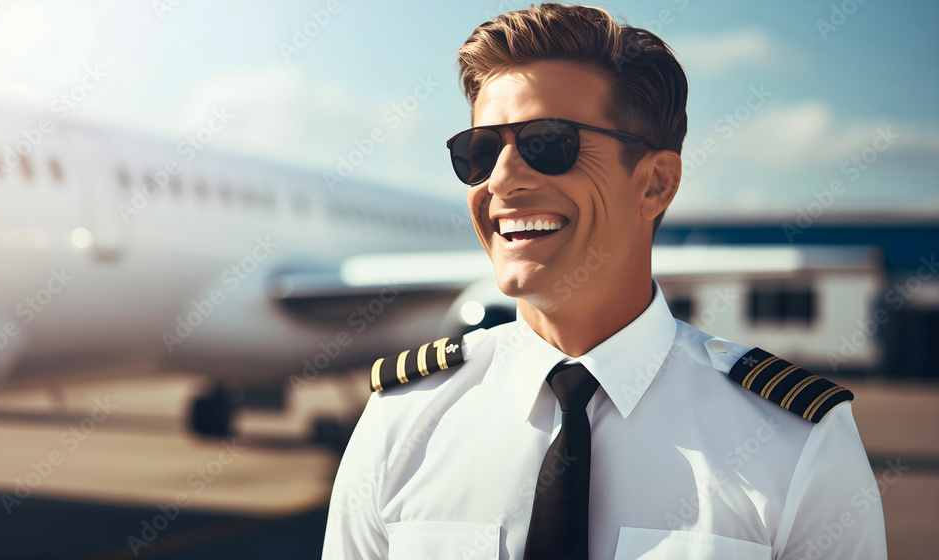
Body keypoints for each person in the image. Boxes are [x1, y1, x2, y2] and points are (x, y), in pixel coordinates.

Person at [321, 4, 887, 559]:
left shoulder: (799, 444)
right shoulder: (399, 422)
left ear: (655, 184)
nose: (502, 179)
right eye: (481, 150)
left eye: (547, 143)